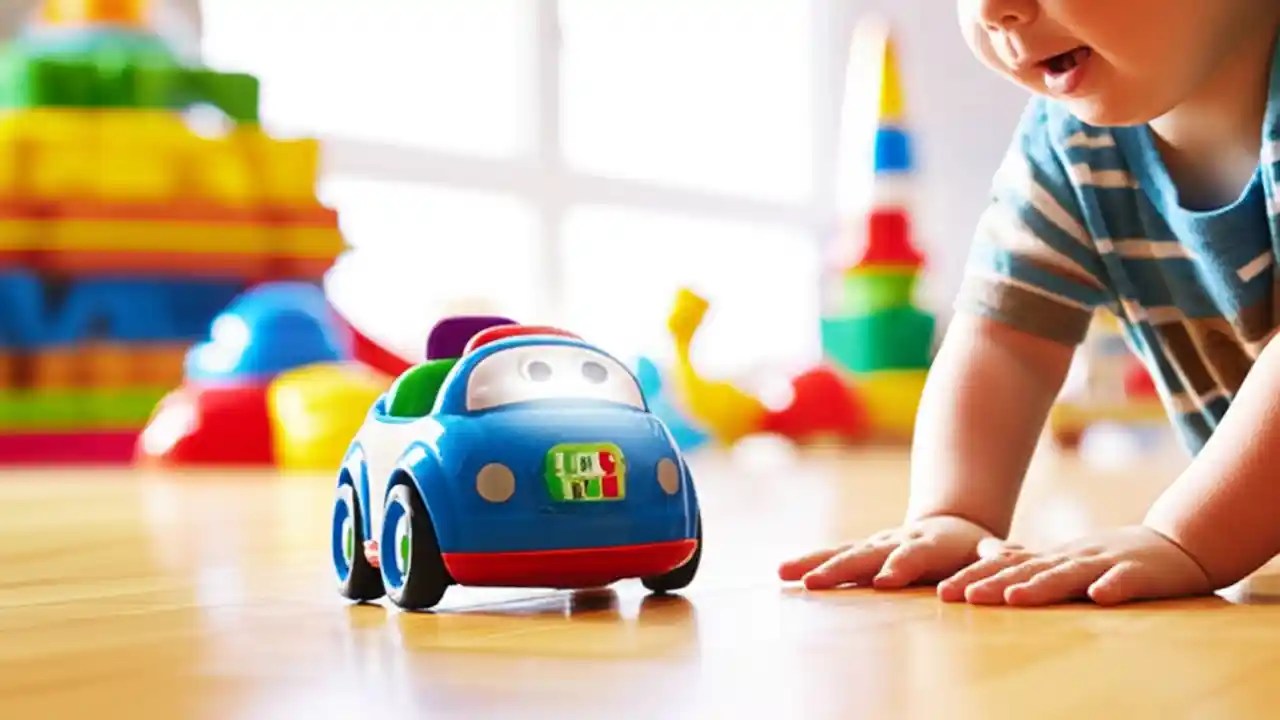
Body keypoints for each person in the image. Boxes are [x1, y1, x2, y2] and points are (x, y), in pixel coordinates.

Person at [779, 0, 1280, 606]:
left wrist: (1186, 536)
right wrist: (955, 511)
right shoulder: (1069, 141)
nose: (992, 10)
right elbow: (1003, 339)